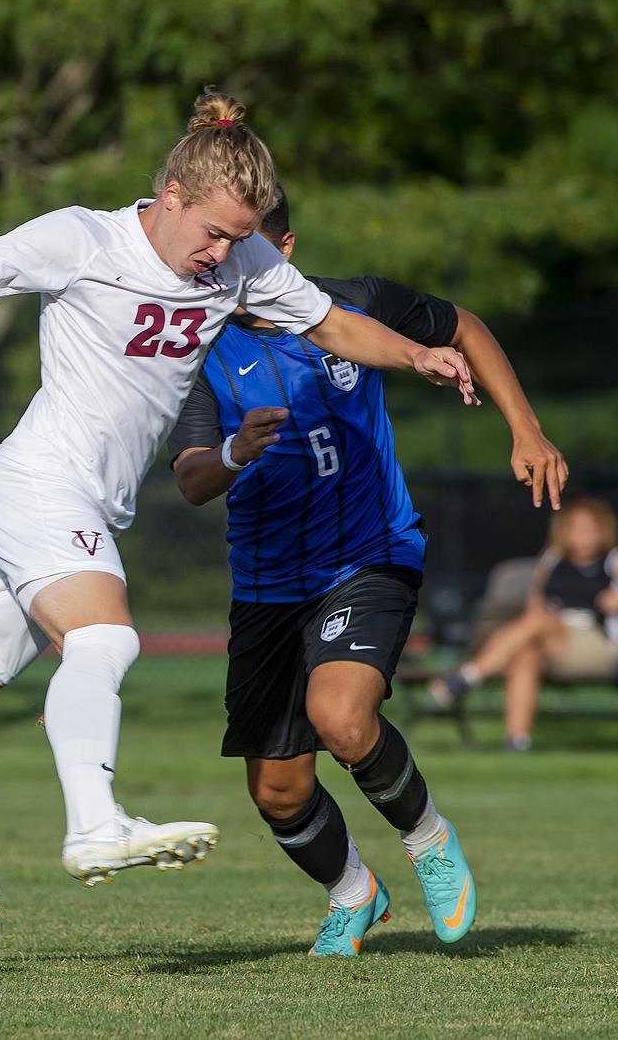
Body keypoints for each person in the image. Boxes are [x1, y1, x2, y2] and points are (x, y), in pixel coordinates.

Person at [0, 91, 480, 972]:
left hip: (72, 507)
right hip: (40, 486)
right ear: (169, 193)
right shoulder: (82, 240)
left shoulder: (239, 266)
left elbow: (335, 323)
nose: (222, 252)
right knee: (105, 636)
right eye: (211, 232)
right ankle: (93, 822)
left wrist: (419, 352)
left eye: (239, 237)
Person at [166, 183, 564, 955]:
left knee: (342, 717)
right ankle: (354, 892)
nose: (221, 266)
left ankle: (427, 839)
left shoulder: (352, 305)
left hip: (369, 553)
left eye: (243, 249)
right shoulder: (197, 348)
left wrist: (527, 429)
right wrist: (234, 451)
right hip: (267, 582)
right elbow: (189, 478)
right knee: (277, 788)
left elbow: (464, 326)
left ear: (280, 250)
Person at [431, 497, 618, 750]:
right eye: (575, 527)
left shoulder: (617, 561)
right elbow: (534, 606)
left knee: (540, 621)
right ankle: (517, 741)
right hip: (553, 638)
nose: (583, 534)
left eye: (590, 527)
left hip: (598, 642)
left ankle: (465, 676)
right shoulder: (552, 560)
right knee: (526, 655)